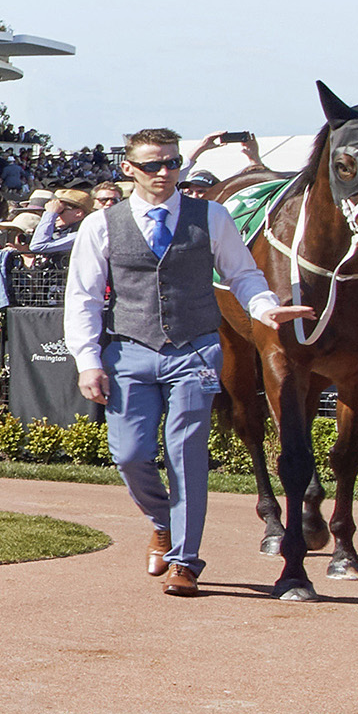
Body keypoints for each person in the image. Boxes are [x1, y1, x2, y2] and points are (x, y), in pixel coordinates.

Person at [63, 127, 287, 595]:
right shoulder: (101, 224)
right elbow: (83, 297)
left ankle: (185, 561)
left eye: (172, 162)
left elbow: (242, 274)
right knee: (130, 455)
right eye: (152, 164)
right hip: (128, 350)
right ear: (128, 168)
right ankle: (162, 521)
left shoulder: (212, 215)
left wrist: (265, 307)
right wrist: (87, 360)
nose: (163, 172)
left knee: (186, 455)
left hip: (195, 350)